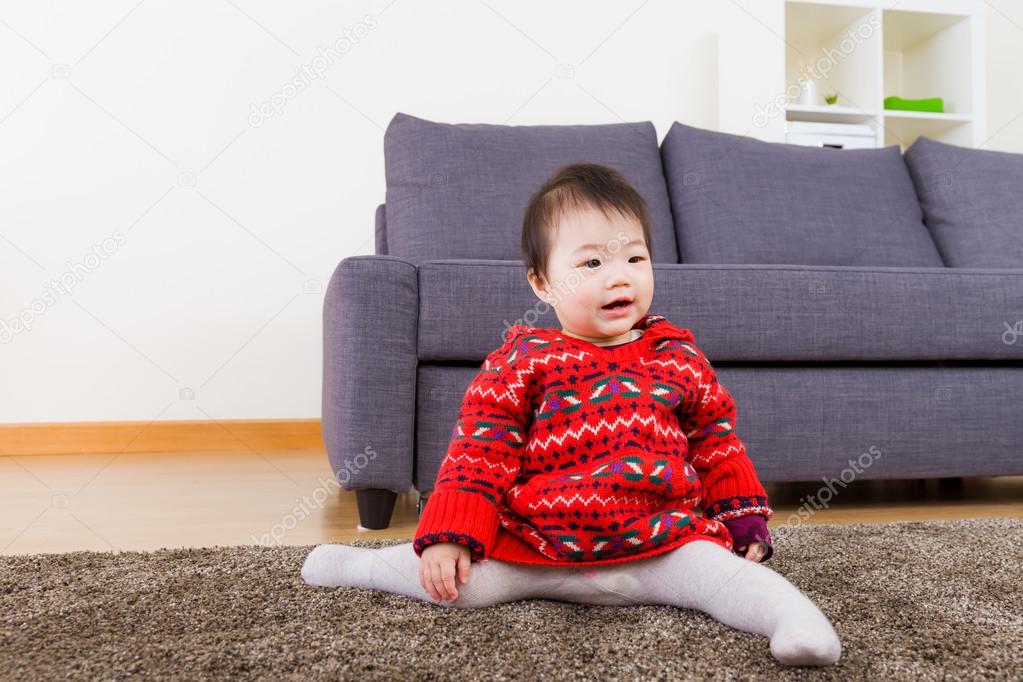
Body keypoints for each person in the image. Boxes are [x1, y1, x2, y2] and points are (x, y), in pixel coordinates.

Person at [302, 163, 841, 667]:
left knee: (726, 579)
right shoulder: (521, 361)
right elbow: (478, 453)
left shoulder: (677, 356)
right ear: (541, 282)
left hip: (661, 542)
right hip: (538, 542)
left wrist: (742, 514)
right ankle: (361, 566)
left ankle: (794, 622)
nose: (620, 277)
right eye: (592, 262)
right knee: (455, 582)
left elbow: (717, 440)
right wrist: (449, 533)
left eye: (635, 258)